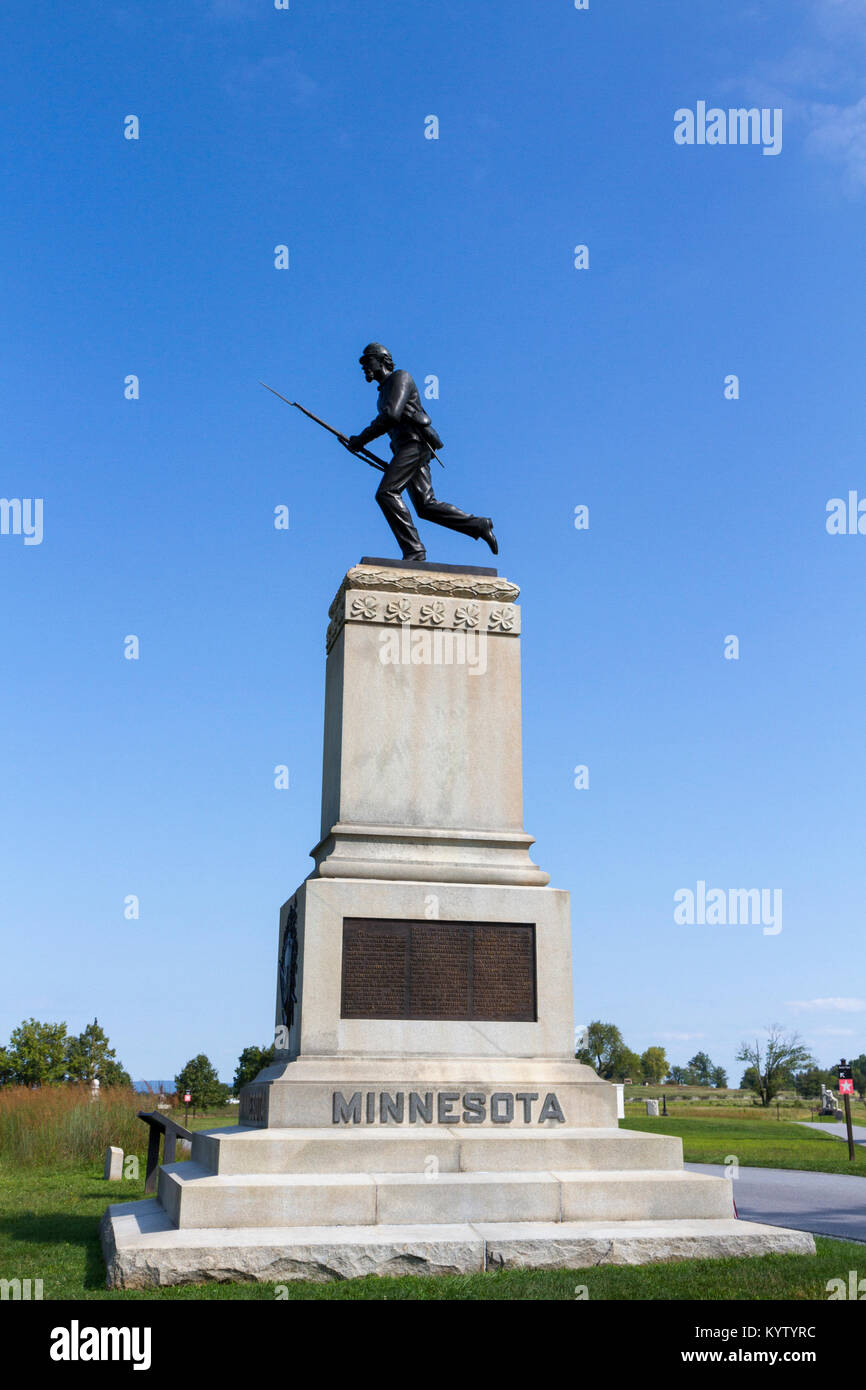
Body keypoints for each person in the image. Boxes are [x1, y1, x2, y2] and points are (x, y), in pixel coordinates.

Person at [347, 343, 498, 562]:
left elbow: (391, 415)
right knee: (426, 505)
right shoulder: (382, 393)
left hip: (414, 445)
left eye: (367, 360)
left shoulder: (400, 377)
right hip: (405, 448)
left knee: (386, 493)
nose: (364, 367)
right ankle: (479, 524)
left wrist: (361, 439)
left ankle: (414, 551)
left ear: (382, 360)